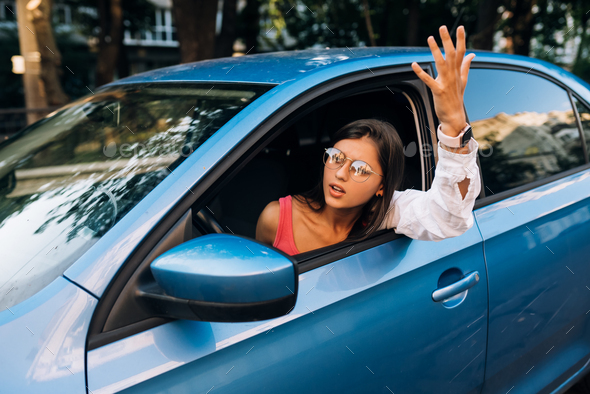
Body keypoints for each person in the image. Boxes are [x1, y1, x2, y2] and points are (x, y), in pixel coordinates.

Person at [255, 24, 481, 255]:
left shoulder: (386, 214)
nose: (341, 174)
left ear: (382, 187)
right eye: (336, 157)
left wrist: (454, 128)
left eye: (361, 170)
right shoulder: (275, 218)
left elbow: (450, 218)